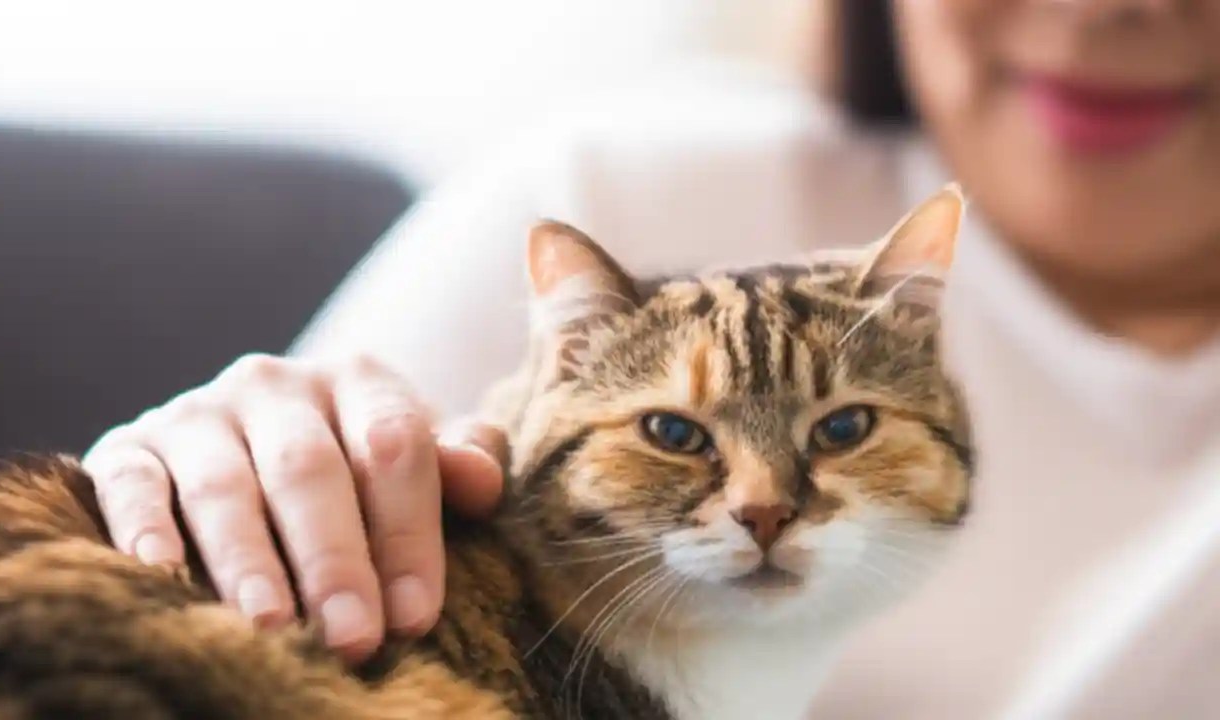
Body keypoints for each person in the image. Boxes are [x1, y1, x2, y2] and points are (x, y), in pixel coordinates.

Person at [81, 1, 1220, 717]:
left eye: (839, 428)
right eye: (676, 432)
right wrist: (193, 489)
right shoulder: (604, 184)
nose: (1106, 9)